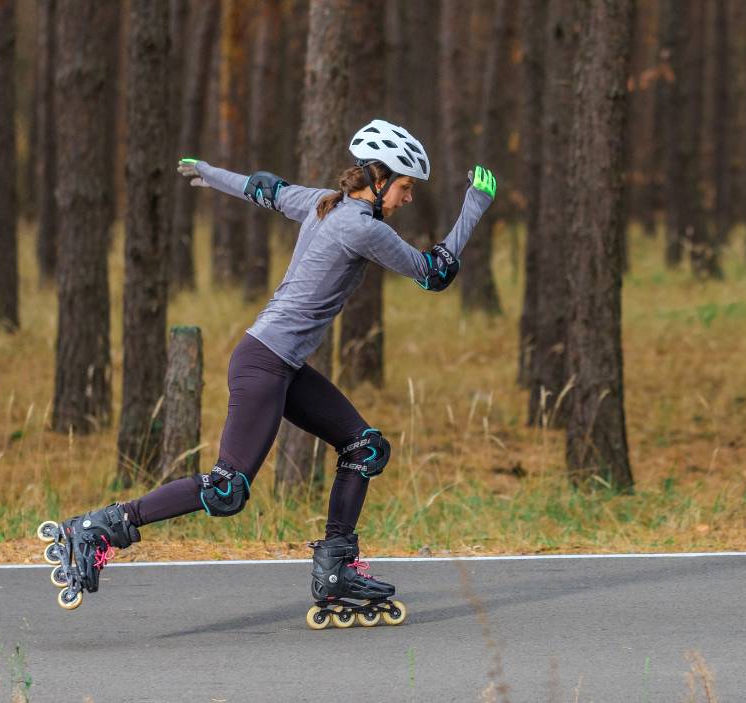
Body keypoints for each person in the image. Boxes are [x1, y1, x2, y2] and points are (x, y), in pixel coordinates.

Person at [36, 119, 497, 629]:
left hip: (280, 363)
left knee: (365, 448)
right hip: (263, 364)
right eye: (407, 188)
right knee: (226, 489)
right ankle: (102, 527)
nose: (409, 199)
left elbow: (266, 189)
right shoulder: (363, 227)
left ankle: (337, 569)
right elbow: (435, 273)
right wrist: (473, 205)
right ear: (380, 178)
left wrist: (211, 173)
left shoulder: (325, 201)